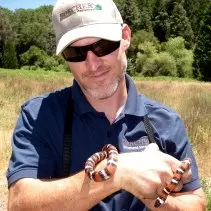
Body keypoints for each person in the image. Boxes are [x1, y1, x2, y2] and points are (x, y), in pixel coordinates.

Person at [7, 0, 206, 210]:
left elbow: (195, 202)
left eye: (102, 46)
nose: (92, 65)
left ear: (125, 37)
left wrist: (153, 196)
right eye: (76, 53)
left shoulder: (167, 122)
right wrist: (119, 173)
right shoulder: (39, 115)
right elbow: (20, 204)